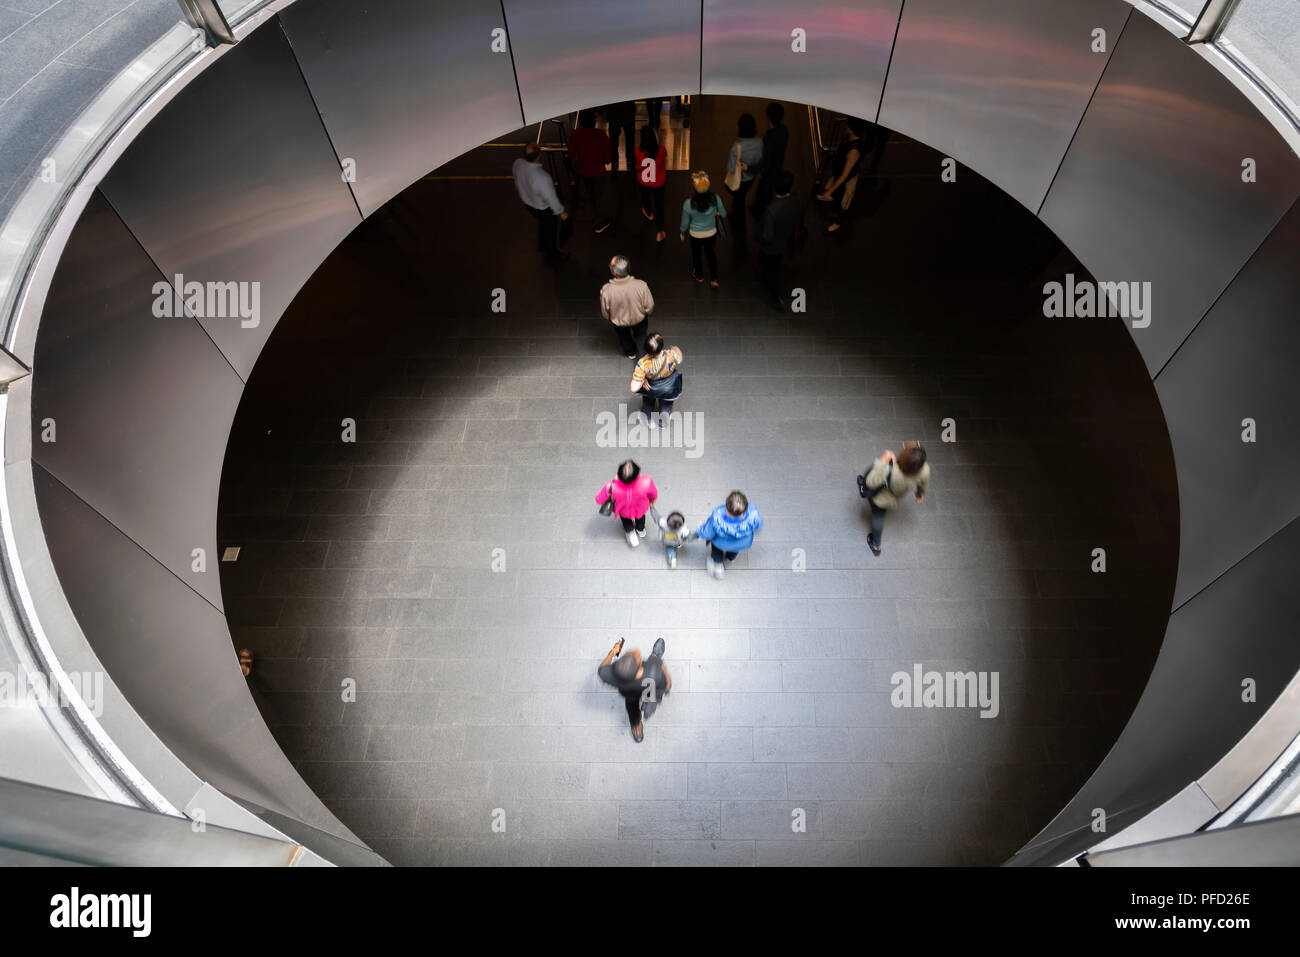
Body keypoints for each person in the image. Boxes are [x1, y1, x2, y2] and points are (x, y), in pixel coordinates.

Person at [857, 441, 930, 556]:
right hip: (893, 496)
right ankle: (876, 545)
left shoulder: (890, 469)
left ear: (904, 456)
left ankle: (876, 545)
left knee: (877, 517)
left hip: (880, 498)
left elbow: (870, 481)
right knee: (878, 514)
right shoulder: (924, 470)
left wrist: (883, 460)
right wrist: (920, 493)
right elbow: (923, 483)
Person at [597, 637, 671, 743]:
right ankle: (655, 656)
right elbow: (667, 685)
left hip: (629, 695)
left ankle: (636, 726)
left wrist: (613, 652)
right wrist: (661, 666)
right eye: (638, 656)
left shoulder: (608, 674)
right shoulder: (654, 674)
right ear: (640, 668)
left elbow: (602, 668)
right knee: (651, 688)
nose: (637, 651)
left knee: (632, 710)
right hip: (648, 685)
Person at [512, 142, 569, 263]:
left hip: (528, 203)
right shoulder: (542, 177)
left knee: (543, 226)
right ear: (538, 156)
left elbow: (516, 180)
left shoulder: (518, 163)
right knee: (550, 230)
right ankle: (553, 254)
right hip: (543, 209)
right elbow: (551, 199)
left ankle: (543, 245)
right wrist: (561, 212)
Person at [757, 171, 801, 309]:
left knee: (768, 268)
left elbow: (767, 235)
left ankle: (776, 296)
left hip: (770, 248)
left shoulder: (771, 209)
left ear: (775, 187)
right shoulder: (795, 201)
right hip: (784, 243)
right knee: (775, 265)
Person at [697, 490, 764, 580]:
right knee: (735, 549)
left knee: (717, 549)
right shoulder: (753, 514)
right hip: (742, 543)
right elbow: (759, 525)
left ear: (727, 507)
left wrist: (699, 529)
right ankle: (730, 558)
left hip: (721, 543)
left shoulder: (717, 518)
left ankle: (718, 567)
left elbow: (707, 534)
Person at [817, 117, 868, 234]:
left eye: (848, 126)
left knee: (842, 202)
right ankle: (835, 211)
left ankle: (837, 223)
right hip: (838, 174)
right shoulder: (849, 138)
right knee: (837, 199)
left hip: (845, 180)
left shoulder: (854, 150)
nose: (846, 127)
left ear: (853, 130)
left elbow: (845, 175)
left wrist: (830, 190)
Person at [599, 255, 655, 359]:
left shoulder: (606, 290)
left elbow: (605, 312)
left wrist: (610, 318)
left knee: (624, 337)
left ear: (614, 272)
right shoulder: (641, 285)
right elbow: (650, 306)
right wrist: (647, 312)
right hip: (639, 320)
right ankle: (642, 360)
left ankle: (630, 352)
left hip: (619, 322)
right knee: (640, 337)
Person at [596, 459, 658, 547]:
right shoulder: (646, 481)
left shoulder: (611, 486)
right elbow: (653, 494)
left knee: (626, 521)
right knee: (640, 518)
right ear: (637, 474)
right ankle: (641, 530)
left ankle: (631, 534)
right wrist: (652, 501)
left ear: (619, 474)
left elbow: (598, 499)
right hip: (640, 507)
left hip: (623, 510)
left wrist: (613, 481)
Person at [568, 108, 612, 233]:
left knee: (592, 193)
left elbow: (571, 153)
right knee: (600, 196)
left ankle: (597, 213)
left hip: (584, 170)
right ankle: (600, 222)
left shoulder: (576, 134)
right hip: (598, 171)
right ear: (594, 122)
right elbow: (608, 157)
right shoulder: (601, 135)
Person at [680, 171, 725, 288]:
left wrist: (682, 231)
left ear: (694, 188)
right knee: (710, 254)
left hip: (695, 235)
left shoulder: (688, 204)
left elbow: (685, 223)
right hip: (711, 234)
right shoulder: (716, 199)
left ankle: (699, 275)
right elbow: (724, 214)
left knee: (696, 254)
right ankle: (714, 279)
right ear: (708, 186)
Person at [629, 332, 682, 429]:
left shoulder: (643, 363)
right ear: (661, 346)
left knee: (648, 402)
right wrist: (675, 349)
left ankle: (647, 420)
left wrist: (642, 379)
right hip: (668, 387)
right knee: (666, 405)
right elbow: (680, 357)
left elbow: (633, 388)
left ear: (645, 348)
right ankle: (663, 423)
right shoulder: (671, 354)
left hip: (650, 386)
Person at [725, 113, 763, 248]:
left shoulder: (737, 148)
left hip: (739, 180)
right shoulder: (760, 143)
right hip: (750, 178)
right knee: (741, 196)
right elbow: (760, 161)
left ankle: (740, 229)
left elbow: (730, 168)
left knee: (739, 200)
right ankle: (736, 207)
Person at [751, 101, 789, 220]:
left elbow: (765, 162)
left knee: (763, 192)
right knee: (767, 190)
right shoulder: (784, 129)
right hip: (778, 165)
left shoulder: (769, 137)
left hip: (769, 172)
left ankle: (759, 213)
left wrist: (750, 168)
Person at [635, 125, 668, 243]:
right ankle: (660, 232)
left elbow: (637, 166)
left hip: (643, 181)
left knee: (645, 197)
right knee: (659, 206)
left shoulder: (638, 151)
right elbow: (664, 157)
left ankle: (648, 212)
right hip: (658, 182)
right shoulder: (661, 150)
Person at [602, 100, 637, 174]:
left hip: (614, 112)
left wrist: (606, 114)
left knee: (613, 141)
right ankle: (630, 161)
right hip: (628, 112)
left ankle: (614, 162)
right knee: (630, 139)